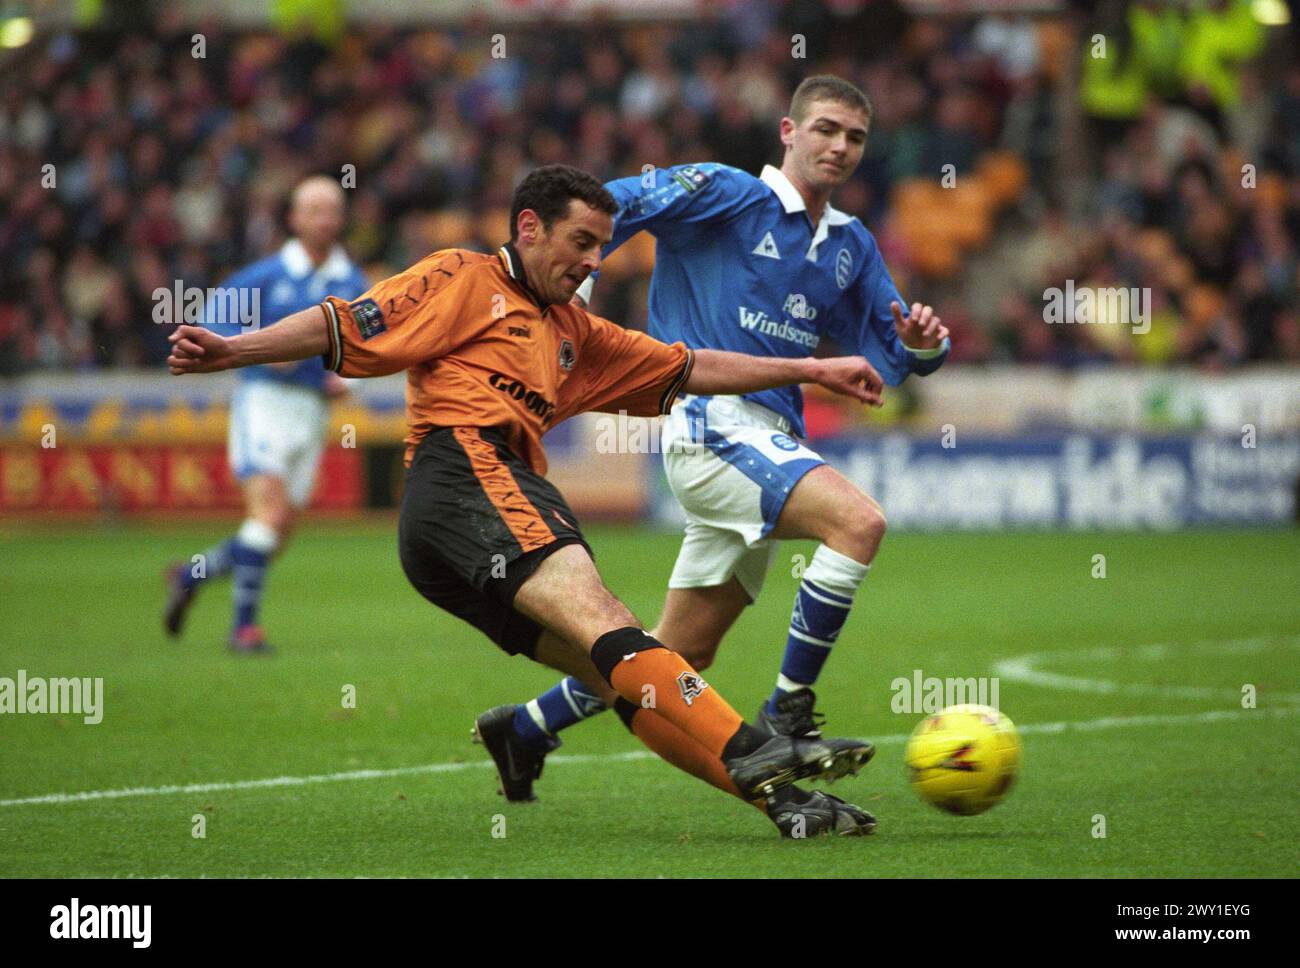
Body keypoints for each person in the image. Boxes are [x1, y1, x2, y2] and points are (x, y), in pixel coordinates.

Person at [166, 164, 882, 837]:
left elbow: (693, 367)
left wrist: (813, 367)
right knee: (613, 622)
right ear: (530, 228)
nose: (594, 261)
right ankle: (758, 746)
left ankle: (784, 802)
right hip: (466, 468)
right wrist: (235, 349)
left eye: (603, 246)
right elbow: (343, 322)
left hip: (453, 526)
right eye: (580, 242)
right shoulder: (462, 276)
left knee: (617, 676)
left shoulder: (579, 333)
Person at [489, 76, 950, 813]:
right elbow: (621, 200)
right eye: (826, 129)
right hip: (710, 423)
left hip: (770, 434)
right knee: (858, 522)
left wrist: (923, 345)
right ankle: (787, 714)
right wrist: (575, 275)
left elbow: (887, 359)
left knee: (678, 654)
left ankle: (525, 727)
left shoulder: (852, 244)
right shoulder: (727, 192)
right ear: (788, 131)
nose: (839, 146)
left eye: (855, 137)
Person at [163, 176, 368, 654]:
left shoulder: (351, 282)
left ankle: (192, 575)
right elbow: (213, 319)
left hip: (311, 413)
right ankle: (244, 630)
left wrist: (347, 382)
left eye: (332, 210)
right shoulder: (266, 275)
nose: (324, 220)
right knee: (269, 514)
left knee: (276, 535)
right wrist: (257, 352)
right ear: (294, 219)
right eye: (313, 210)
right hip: (265, 403)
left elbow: (363, 346)